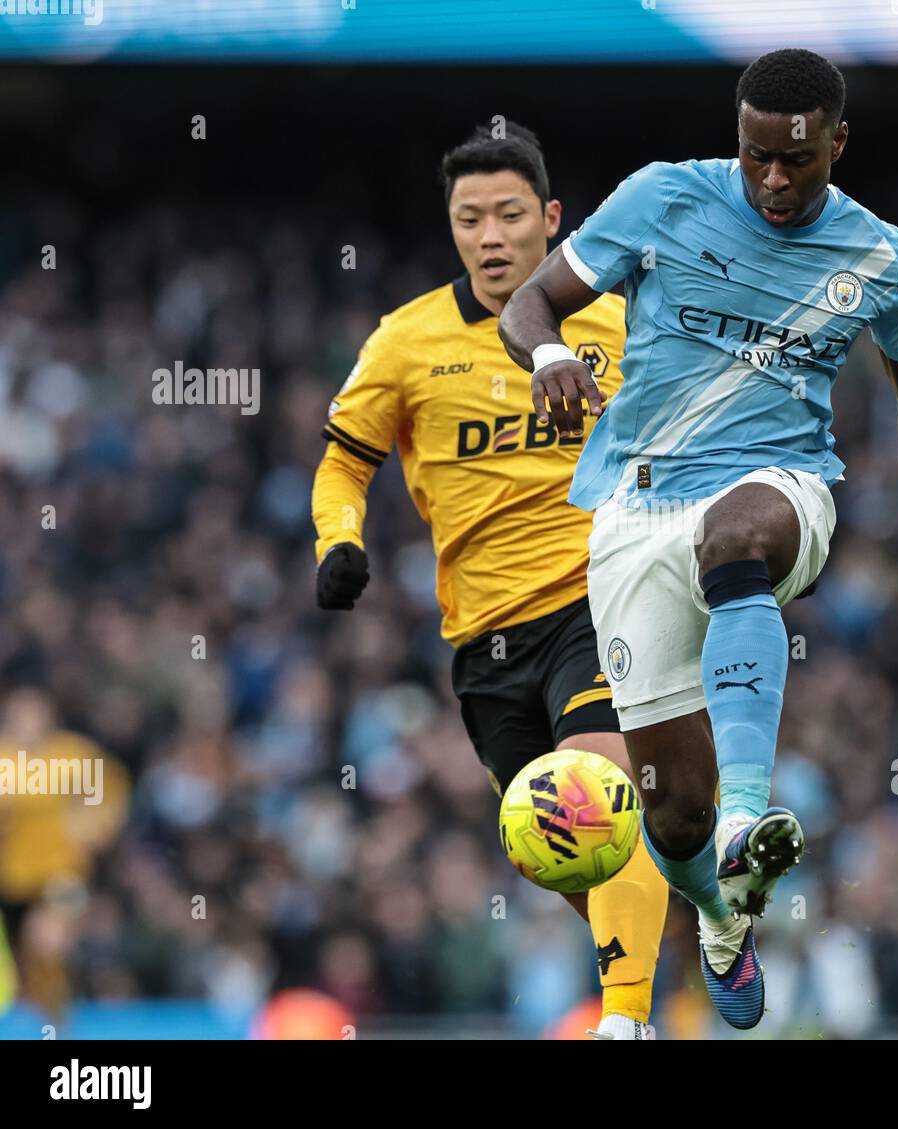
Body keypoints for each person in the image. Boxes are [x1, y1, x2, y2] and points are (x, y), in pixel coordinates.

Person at [498, 50, 898, 1029]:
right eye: (754, 158)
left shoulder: (878, 259)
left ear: (837, 144)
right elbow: (531, 301)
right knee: (668, 817)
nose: (773, 180)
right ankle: (720, 913)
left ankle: (747, 813)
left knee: (739, 533)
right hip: (635, 510)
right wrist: (553, 353)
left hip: (782, 486)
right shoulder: (662, 199)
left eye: (797, 161)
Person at [310, 122, 668, 1040]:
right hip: (484, 641)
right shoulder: (406, 341)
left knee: (593, 792)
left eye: (511, 214)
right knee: (558, 850)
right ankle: (702, 913)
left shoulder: (620, 320)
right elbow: (344, 463)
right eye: (471, 218)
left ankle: (625, 1022)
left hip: (601, 598)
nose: (491, 236)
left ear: (552, 219)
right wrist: (337, 541)